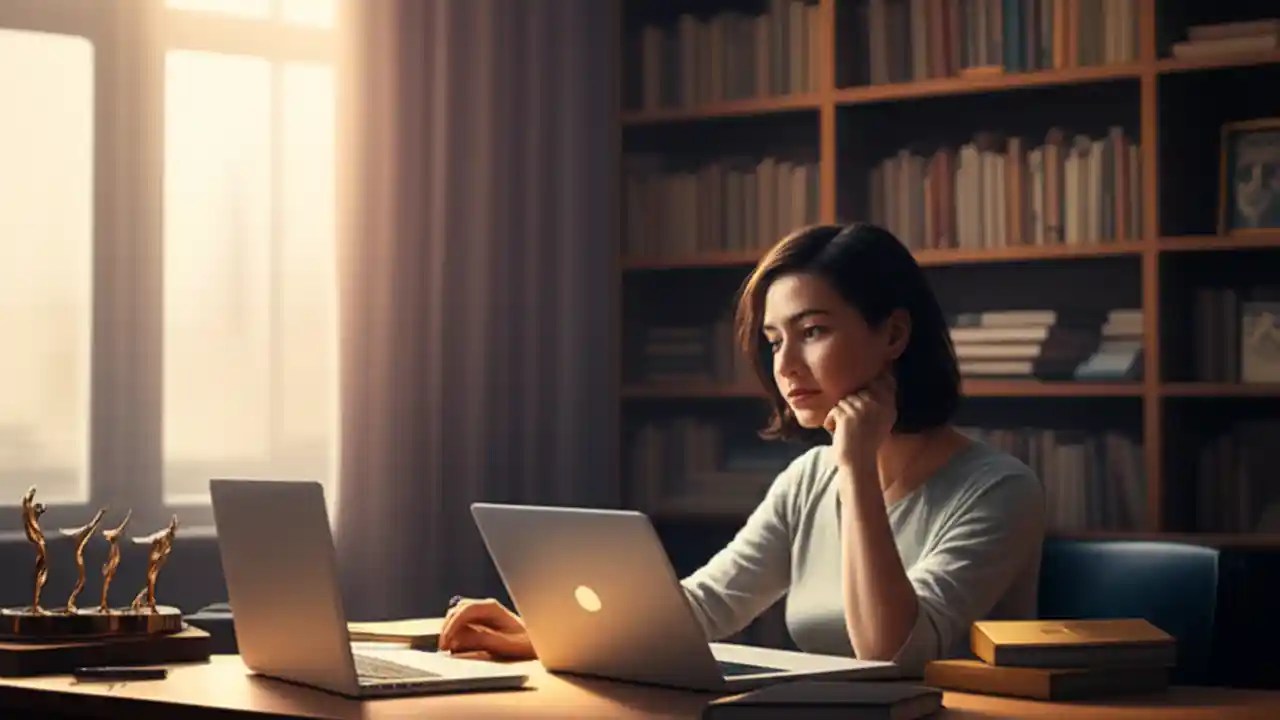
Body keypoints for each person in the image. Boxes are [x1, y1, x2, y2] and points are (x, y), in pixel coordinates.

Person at [439, 223, 1046, 675]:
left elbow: (893, 652)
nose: (784, 365)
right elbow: (705, 607)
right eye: (773, 339)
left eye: (813, 332)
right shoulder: (809, 478)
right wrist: (545, 634)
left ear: (892, 333)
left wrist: (856, 465)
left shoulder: (999, 491)